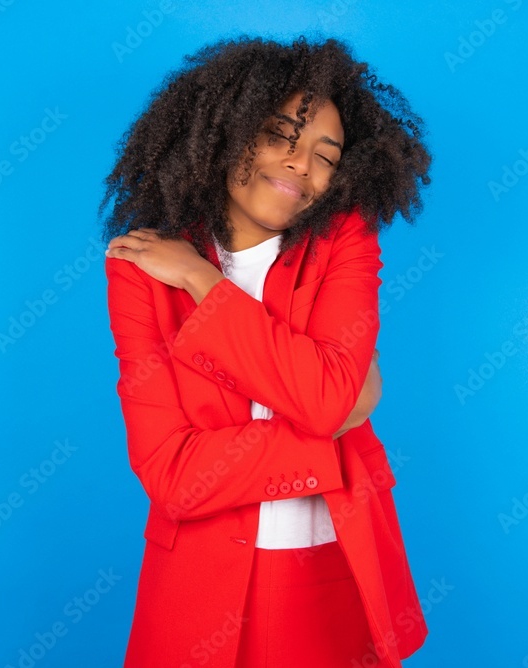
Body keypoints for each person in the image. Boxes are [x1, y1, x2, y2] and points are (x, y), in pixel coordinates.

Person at [99, 34, 432, 668]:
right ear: (228, 131)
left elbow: (333, 393)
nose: (301, 165)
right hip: (199, 585)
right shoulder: (140, 270)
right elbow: (172, 476)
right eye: (281, 135)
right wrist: (328, 426)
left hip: (334, 565)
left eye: (325, 156)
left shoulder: (345, 242)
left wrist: (204, 282)